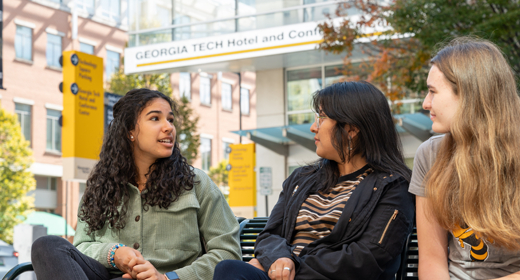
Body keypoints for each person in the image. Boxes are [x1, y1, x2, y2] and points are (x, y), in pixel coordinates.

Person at [31, 89, 242, 280]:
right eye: (155, 118)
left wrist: (169, 278)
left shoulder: (195, 183)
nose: (168, 127)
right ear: (130, 131)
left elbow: (227, 253)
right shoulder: (100, 186)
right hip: (109, 275)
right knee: (46, 246)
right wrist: (114, 254)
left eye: (170, 119)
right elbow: (82, 246)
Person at [213, 81, 415, 280]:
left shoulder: (393, 186)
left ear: (351, 129)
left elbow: (366, 258)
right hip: (283, 275)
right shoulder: (302, 179)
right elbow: (269, 236)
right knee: (229, 270)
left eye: (322, 118)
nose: (313, 127)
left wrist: (290, 265)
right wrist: (278, 259)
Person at [410, 37, 520, 280]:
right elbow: (431, 259)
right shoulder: (430, 154)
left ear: (469, 93)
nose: (425, 103)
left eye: (432, 91)